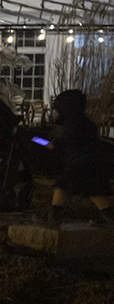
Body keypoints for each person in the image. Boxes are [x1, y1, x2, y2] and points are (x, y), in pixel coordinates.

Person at [43, 89, 113, 226]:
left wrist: (52, 144)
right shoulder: (86, 124)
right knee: (95, 192)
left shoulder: (73, 126)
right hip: (93, 164)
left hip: (79, 165)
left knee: (62, 185)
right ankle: (109, 217)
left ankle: (54, 217)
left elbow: (69, 140)